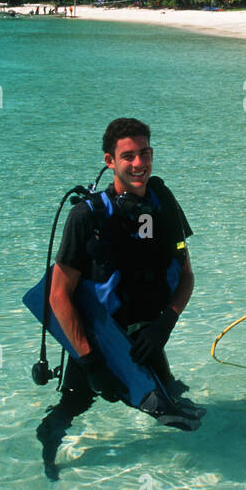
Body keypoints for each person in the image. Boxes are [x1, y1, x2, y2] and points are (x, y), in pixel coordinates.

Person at [37, 118, 200, 449]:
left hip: (148, 341)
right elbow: (57, 295)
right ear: (109, 160)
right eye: (128, 156)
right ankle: (48, 454)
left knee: (179, 411)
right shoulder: (86, 217)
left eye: (144, 153)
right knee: (72, 407)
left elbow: (186, 276)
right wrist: (91, 362)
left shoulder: (163, 202)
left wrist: (165, 324)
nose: (138, 163)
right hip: (99, 341)